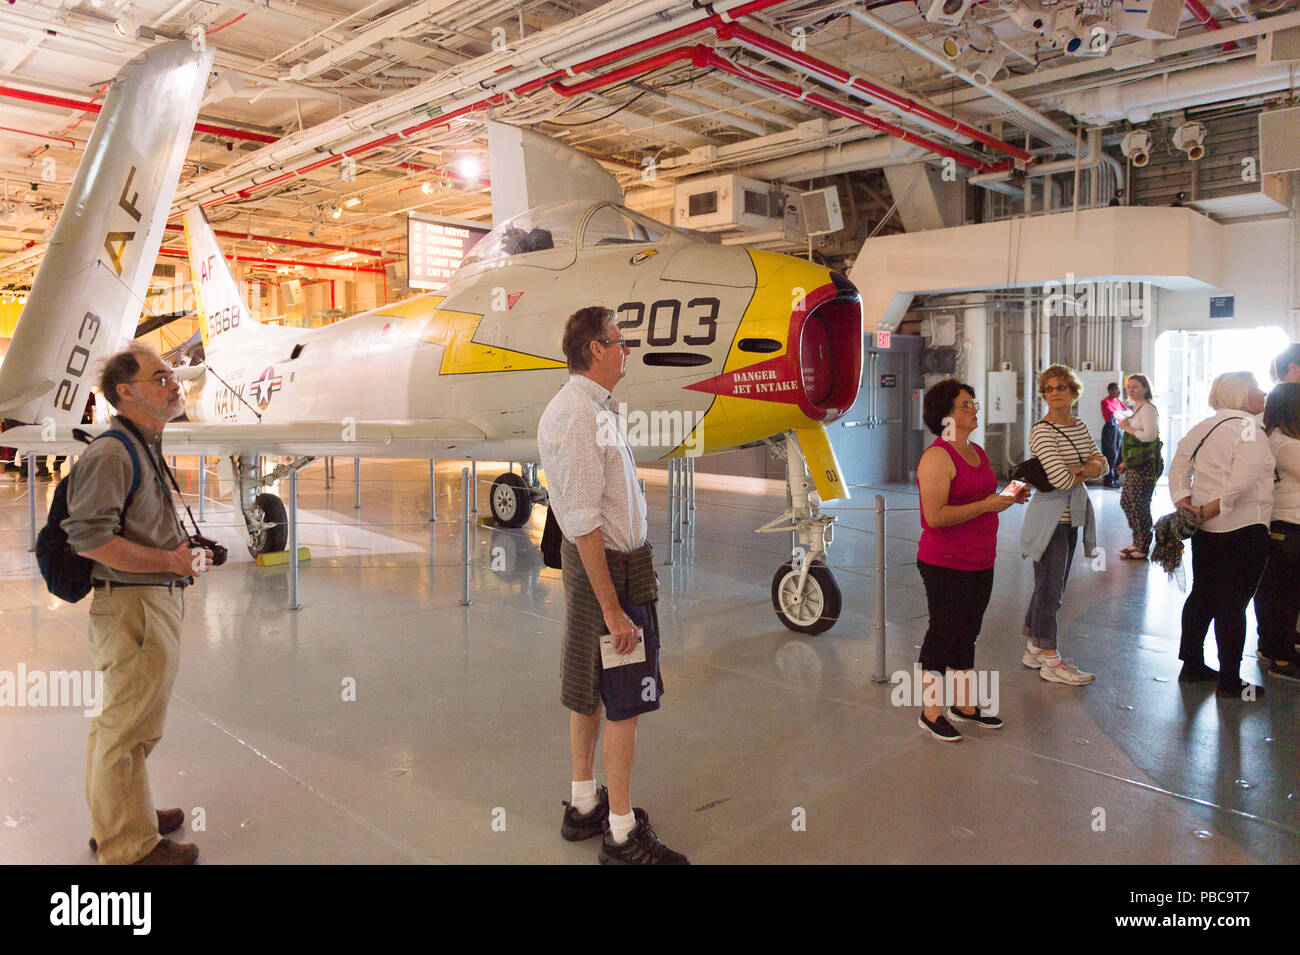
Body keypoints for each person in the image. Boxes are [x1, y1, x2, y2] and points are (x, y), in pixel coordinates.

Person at [537, 306, 686, 865]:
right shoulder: (578, 415)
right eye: (619, 342)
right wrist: (615, 611)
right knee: (625, 702)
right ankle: (622, 835)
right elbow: (583, 523)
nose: (627, 351)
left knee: (590, 685)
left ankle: (585, 804)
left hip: (612, 572)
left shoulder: (592, 408)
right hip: (612, 577)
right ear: (595, 349)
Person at [63, 346, 211, 864]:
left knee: (134, 723)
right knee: (125, 727)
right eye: (161, 376)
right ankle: (127, 847)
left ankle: (125, 816)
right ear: (126, 392)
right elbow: (89, 540)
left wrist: (179, 556)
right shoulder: (111, 453)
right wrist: (170, 563)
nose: (175, 383)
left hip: (148, 601)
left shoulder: (141, 444)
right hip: (134, 605)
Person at [914, 379, 1028, 741]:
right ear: (946, 414)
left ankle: (964, 705)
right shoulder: (936, 457)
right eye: (966, 405)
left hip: (980, 559)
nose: (974, 409)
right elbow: (935, 516)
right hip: (945, 561)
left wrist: (1006, 498)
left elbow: (981, 497)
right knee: (943, 632)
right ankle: (931, 712)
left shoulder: (976, 451)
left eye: (974, 403)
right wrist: (987, 505)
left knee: (968, 633)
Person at [1169, 371, 1273, 700]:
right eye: (1256, 388)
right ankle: (1229, 680)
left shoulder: (1203, 427)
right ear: (1241, 394)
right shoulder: (1250, 429)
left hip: (1206, 530)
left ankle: (1193, 664)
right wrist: (1214, 508)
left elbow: (1177, 466)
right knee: (1233, 603)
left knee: (1203, 594)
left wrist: (1186, 504)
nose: (1263, 393)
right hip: (1244, 528)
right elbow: (1241, 483)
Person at [1021, 364, 1108, 686]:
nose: (1054, 392)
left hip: (1073, 517)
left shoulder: (1080, 426)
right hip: (1049, 520)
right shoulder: (1041, 431)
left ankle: (1033, 647)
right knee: (1050, 591)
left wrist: (1082, 467)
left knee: (1048, 586)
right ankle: (1051, 659)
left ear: (1073, 391)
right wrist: (1087, 467)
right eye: (1049, 388)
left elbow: (1104, 463)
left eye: (1061, 387)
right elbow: (1057, 478)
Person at [1253, 382, 1300, 683]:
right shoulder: (1287, 444)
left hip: (1281, 521)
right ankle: (1281, 658)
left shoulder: (1271, 437)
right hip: (1291, 521)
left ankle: (1272, 647)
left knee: (1276, 589)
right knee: (1287, 593)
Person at [1116, 374, 1161, 560]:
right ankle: (1138, 541)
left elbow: (1149, 436)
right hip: (1136, 464)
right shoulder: (1138, 408)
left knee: (1139, 504)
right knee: (1128, 502)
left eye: (1135, 386)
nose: (1131, 390)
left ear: (1145, 388)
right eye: (1128, 387)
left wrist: (1127, 427)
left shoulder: (1148, 409)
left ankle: (1143, 546)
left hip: (1145, 466)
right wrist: (1126, 462)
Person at [1100, 382, 1125, 488]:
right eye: (1116, 389)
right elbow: (1113, 415)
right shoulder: (1105, 402)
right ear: (1110, 391)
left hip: (1119, 429)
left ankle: (1116, 479)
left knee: (1119, 455)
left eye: (1119, 390)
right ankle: (1108, 480)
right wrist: (1121, 414)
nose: (1118, 392)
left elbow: (1129, 412)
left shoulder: (1118, 402)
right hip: (1111, 429)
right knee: (1111, 454)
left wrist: (1122, 414)